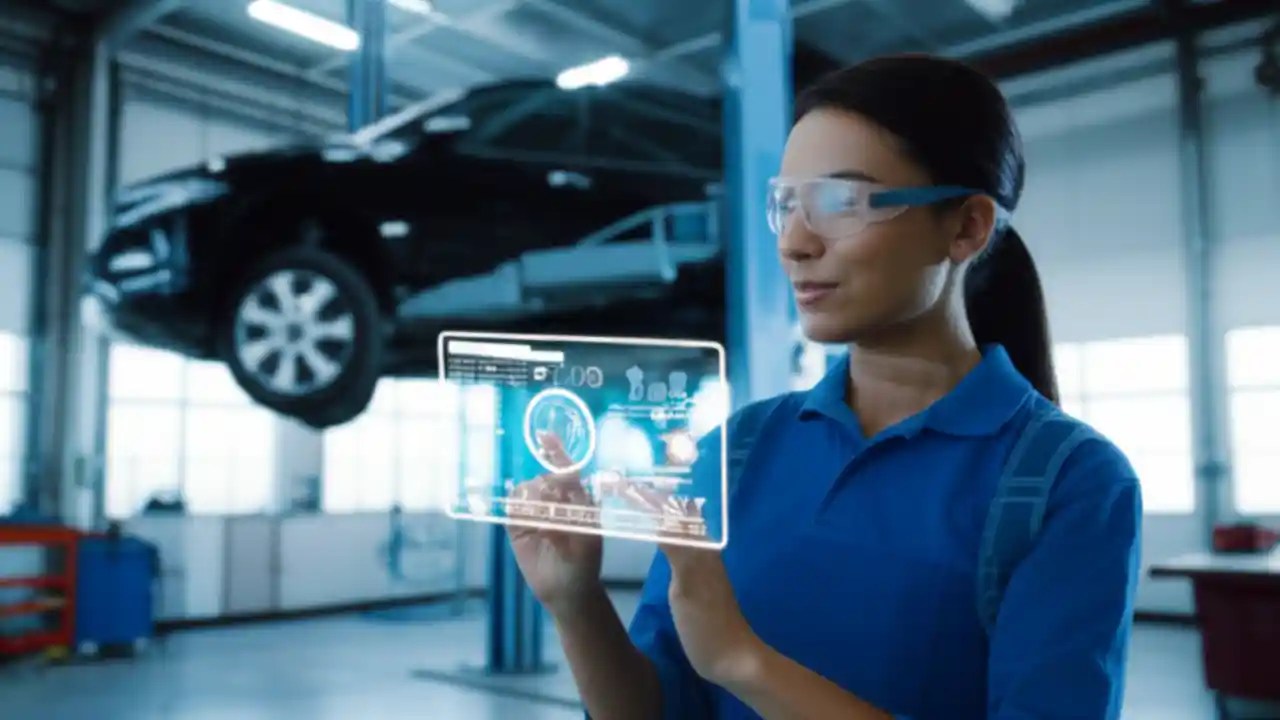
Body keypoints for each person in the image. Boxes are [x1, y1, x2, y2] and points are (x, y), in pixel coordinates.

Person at [508, 54, 1143, 720]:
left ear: (965, 227)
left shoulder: (1069, 483)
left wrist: (742, 662)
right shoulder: (740, 449)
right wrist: (576, 603)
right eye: (786, 204)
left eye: (842, 202)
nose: (794, 243)